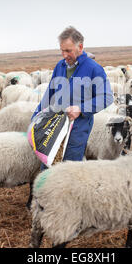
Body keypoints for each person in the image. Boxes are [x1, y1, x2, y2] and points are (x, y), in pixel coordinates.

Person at [31, 26, 113, 165]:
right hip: (53, 126)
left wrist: (80, 108)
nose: (64, 55)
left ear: (80, 47)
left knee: (68, 169)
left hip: (76, 130)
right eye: (62, 50)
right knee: (47, 165)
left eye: (68, 51)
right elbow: (49, 94)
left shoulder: (94, 69)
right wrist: (35, 119)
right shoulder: (60, 66)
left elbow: (106, 97)